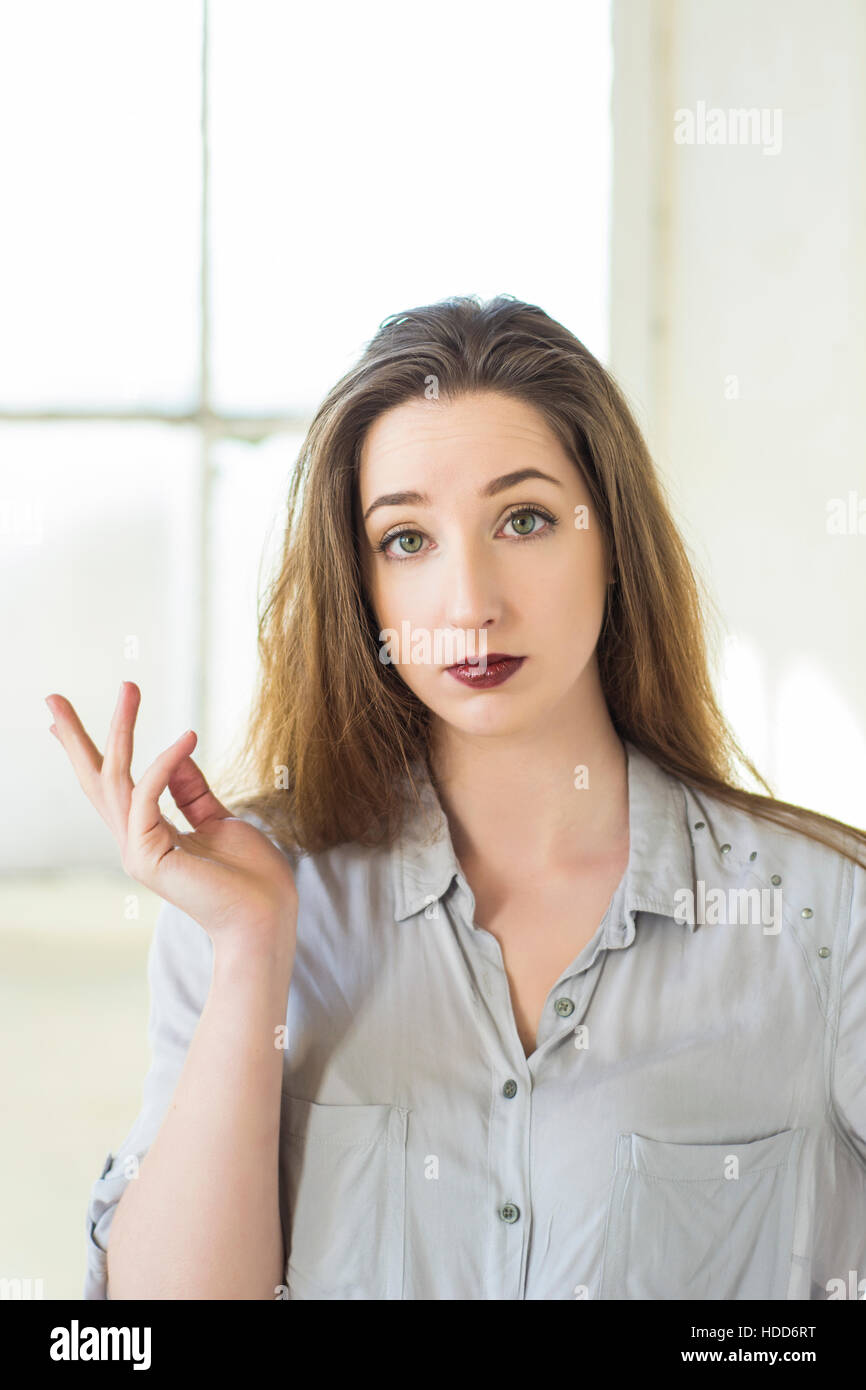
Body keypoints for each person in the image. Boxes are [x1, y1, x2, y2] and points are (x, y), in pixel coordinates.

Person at [50, 294, 866, 1301]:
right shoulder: (246, 906)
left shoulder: (824, 922)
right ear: (360, 584)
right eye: (405, 539)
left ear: (612, 544)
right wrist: (251, 950)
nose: (468, 601)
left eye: (522, 520)